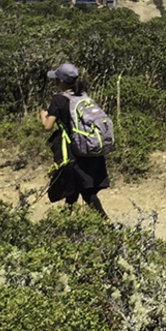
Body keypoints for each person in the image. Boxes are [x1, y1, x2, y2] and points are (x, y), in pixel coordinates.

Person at [39, 63, 109, 218]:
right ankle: (65, 221)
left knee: (85, 191)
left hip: (72, 152)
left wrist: (43, 116)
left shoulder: (58, 100)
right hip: (89, 148)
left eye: (56, 79)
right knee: (75, 188)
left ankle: (108, 224)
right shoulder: (83, 95)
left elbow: (48, 126)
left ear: (62, 82)